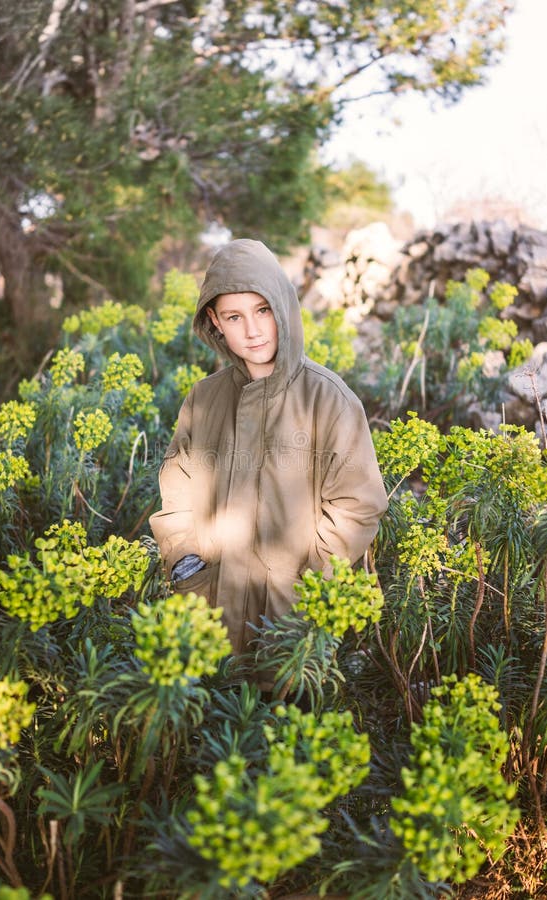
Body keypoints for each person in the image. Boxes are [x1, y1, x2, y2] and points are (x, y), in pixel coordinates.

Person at [149, 238, 388, 654]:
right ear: (215, 321)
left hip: (288, 623)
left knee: (286, 713)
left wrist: (306, 584)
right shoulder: (204, 397)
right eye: (234, 316)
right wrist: (185, 563)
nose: (253, 330)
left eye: (263, 310)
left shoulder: (329, 398)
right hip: (208, 616)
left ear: (283, 307)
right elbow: (177, 490)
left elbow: (358, 505)